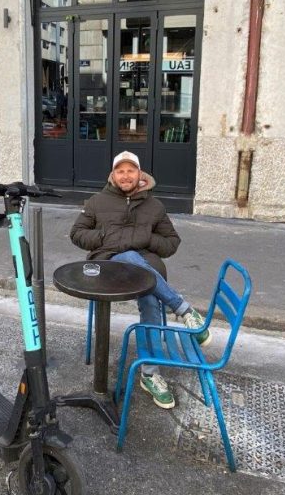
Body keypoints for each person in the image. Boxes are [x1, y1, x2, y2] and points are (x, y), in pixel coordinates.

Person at [69, 150, 209, 410]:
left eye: (130, 170)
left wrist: (146, 238)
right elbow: (77, 234)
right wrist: (105, 238)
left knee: (146, 291)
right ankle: (183, 309)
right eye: (120, 171)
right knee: (131, 258)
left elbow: (171, 243)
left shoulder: (154, 206)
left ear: (140, 174)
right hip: (107, 266)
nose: (125, 175)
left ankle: (150, 373)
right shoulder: (97, 202)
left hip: (146, 269)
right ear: (113, 175)